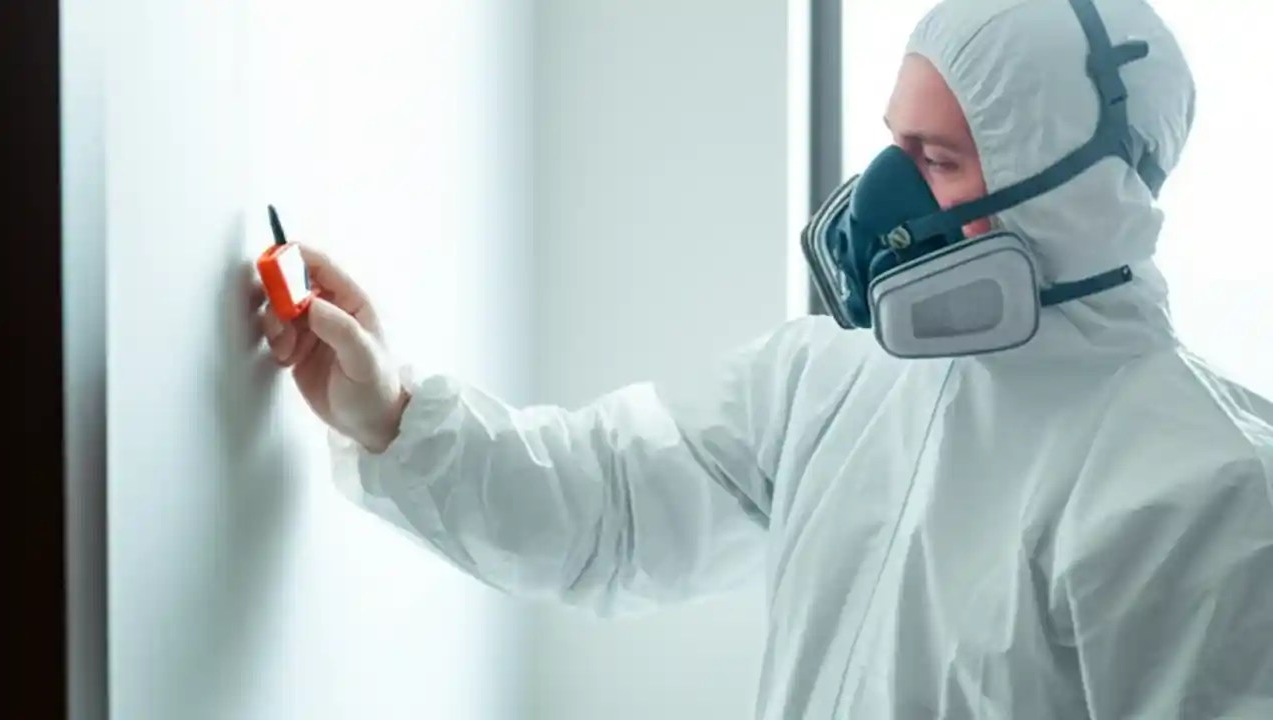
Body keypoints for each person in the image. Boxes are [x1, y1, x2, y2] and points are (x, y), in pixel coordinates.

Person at [260, 0, 1273, 717]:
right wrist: (388, 412)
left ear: (1070, 195)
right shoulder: (834, 380)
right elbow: (603, 508)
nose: (883, 199)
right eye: (893, 144)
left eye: (934, 160)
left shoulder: (1199, 492)